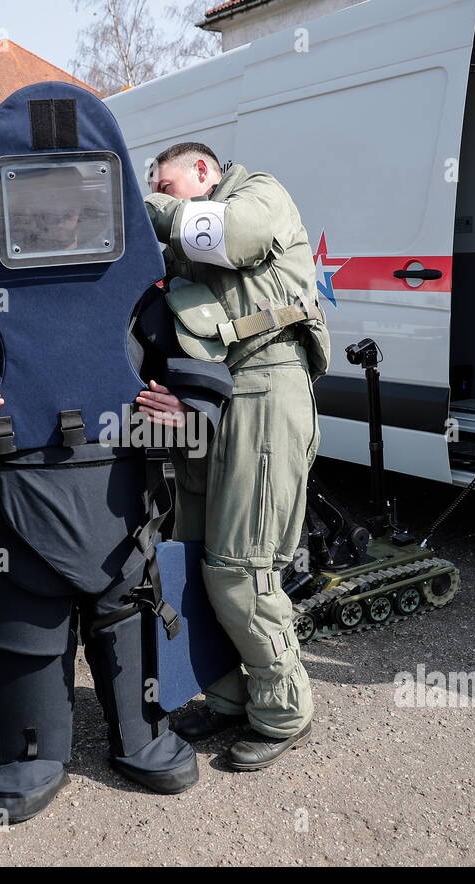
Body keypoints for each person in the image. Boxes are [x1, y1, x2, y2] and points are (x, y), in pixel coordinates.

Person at [0, 84, 233, 823]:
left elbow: (200, 370)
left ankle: (140, 737)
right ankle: (34, 751)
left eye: (73, 203)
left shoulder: (140, 289)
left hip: (120, 498)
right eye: (38, 207)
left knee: (129, 610)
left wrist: (184, 412)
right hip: (19, 503)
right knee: (26, 625)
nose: (56, 222)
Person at [143, 142, 331, 770]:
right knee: (198, 557)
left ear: (203, 172)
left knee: (241, 567)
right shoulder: (186, 237)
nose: (162, 200)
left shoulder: (258, 194)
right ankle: (230, 693)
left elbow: (239, 236)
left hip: (267, 384)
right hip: (214, 393)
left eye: (167, 186)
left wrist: (140, 207)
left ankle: (282, 710)